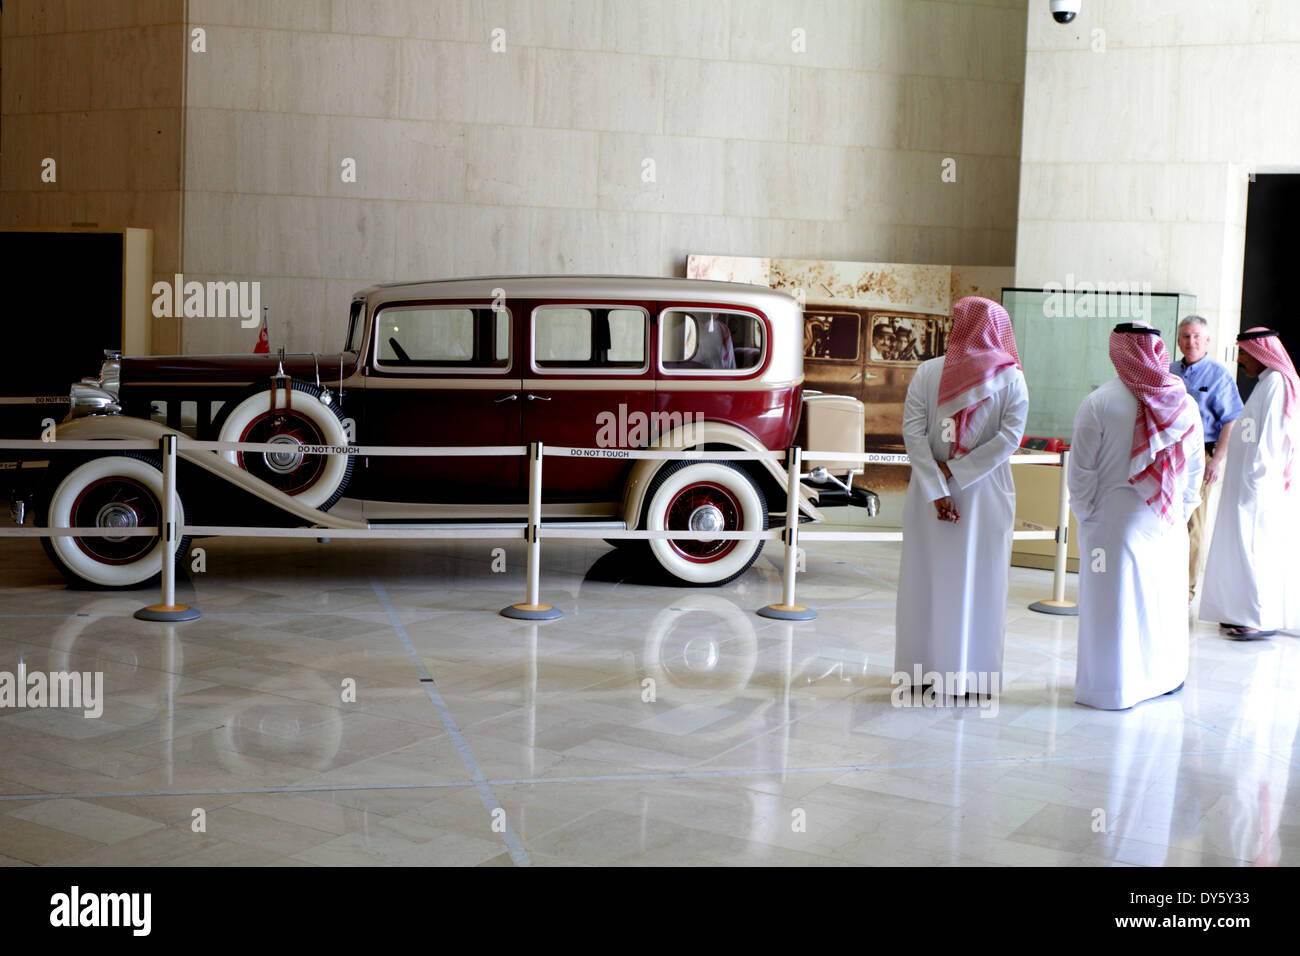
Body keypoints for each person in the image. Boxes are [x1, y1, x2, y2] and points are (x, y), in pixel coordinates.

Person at [894, 296, 1028, 696]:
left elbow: (913, 434)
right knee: (978, 580)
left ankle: (920, 671)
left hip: (929, 494)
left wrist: (938, 485)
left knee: (928, 577)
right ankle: (970, 675)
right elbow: (1010, 439)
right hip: (984, 494)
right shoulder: (1013, 379)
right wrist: (957, 473)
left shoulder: (928, 371)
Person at [1068, 323, 1203, 710]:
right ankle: (1161, 679)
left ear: (1118, 352)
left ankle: (1113, 690)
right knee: (1159, 607)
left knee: (1115, 611)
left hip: (1112, 525)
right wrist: (1178, 515)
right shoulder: (1183, 402)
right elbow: (1193, 473)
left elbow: (1080, 474)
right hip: (1167, 521)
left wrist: (1089, 519)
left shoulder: (1098, 402)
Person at [1199, 328, 1300, 638]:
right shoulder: (1266, 382)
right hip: (1246, 484)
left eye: (1244, 352)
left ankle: (1258, 618)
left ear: (1260, 352)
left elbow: (1269, 440)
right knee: (1243, 548)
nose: (1240, 359)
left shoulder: (1276, 384)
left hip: (1257, 486)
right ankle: (1240, 611)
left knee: (1255, 548)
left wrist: (1254, 481)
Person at [1169, 315, 1243, 602]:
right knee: (1166, 519)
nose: (1191, 342)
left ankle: (1185, 590)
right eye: (1186, 336)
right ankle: (1166, 581)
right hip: (1169, 455)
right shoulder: (1170, 371)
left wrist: (1217, 460)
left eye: (1197, 337)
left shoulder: (1218, 375)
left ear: (1208, 341)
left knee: (1193, 523)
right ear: (1178, 341)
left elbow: (1231, 420)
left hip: (1201, 456)